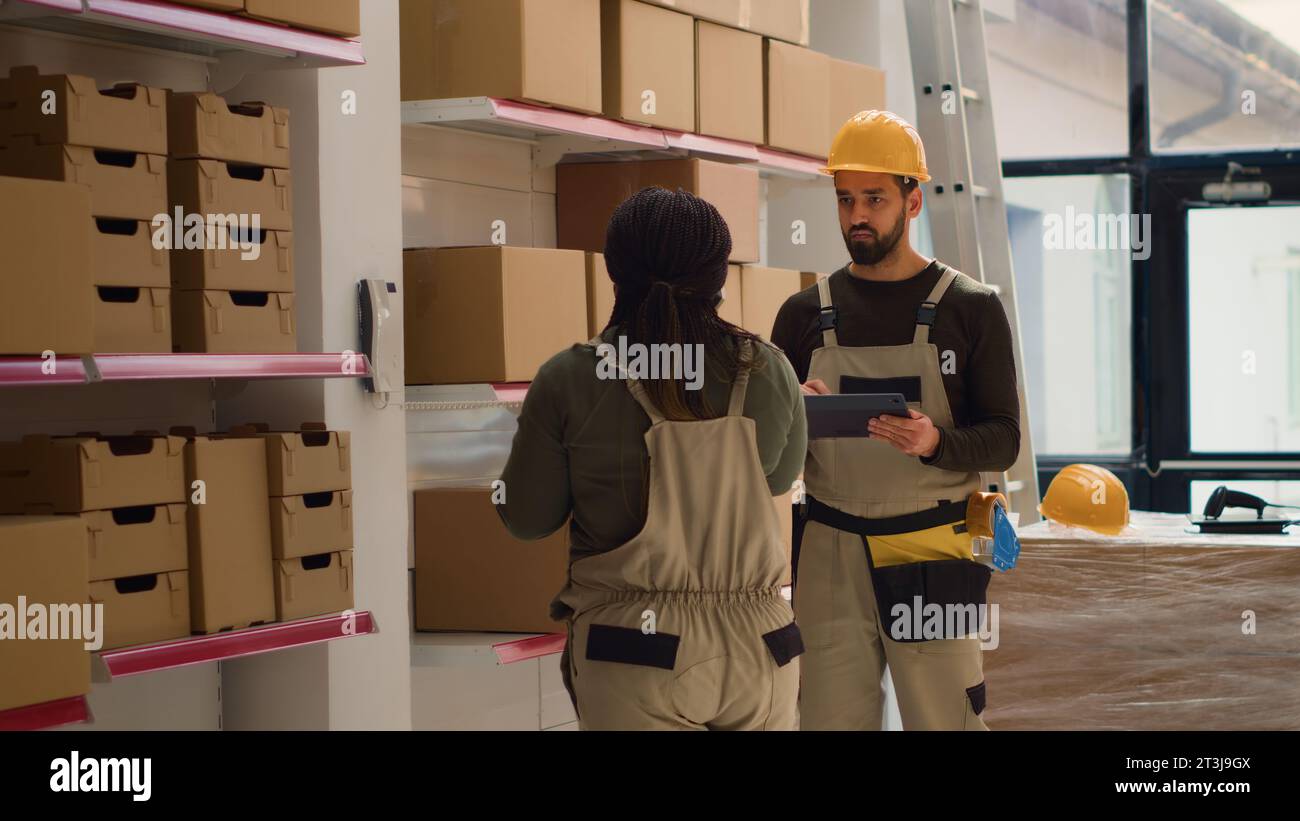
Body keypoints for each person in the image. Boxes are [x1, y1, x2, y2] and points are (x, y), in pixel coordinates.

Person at [497, 187, 808, 730]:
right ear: (719, 277)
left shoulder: (571, 378)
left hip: (637, 649)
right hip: (763, 648)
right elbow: (778, 479)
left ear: (614, 273)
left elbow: (526, 519)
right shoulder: (768, 369)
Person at [771, 110, 1021, 730]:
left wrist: (937, 442)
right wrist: (791, 414)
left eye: (875, 199)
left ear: (913, 201)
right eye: (846, 198)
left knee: (946, 720)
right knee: (827, 719)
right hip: (830, 545)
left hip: (933, 545)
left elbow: (1005, 438)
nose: (857, 215)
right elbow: (770, 459)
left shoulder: (971, 308)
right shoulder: (803, 313)